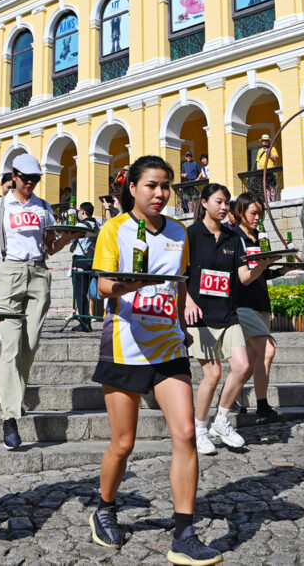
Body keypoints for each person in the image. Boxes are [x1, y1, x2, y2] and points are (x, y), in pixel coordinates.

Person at [88, 155, 221, 564]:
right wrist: (127, 285)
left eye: (165, 185)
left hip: (168, 346)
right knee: (123, 443)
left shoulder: (179, 232)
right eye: (151, 185)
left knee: (185, 434)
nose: (160, 193)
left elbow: (178, 285)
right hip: (124, 346)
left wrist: (182, 321)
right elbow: (101, 286)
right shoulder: (114, 229)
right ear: (132, 188)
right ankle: (104, 508)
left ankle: (184, 534)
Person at [0, 153, 80, 450]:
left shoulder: (43, 207)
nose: (30, 183)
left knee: (30, 343)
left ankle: (12, 396)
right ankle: (10, 416)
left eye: (35, 179)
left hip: (38, 273)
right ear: (14, 176)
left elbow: (51, 247)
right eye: (26, 178)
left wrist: (66, 239)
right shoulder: (1, 205)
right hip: (7, 271)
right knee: (11, 343)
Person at [185, 183, 276, 456]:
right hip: (200, 314)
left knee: (242, 365)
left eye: (227, 203)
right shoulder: (190, 235)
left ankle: (221, 420)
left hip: (228, 312)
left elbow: (244, 278)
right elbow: (179, 274)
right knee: (213, 374)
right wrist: (187, 301)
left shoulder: (232, 238)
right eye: (219, 202)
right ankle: (199, 430)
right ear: (204, 203)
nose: (225, 207)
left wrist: (263, 264)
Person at [231, 193, 285, 424]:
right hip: (241, 302)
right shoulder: (234, 237)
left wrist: (281, 270)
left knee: (252, 358)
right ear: (240, 212)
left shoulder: (260, 238)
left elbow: (262, 273)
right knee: (267, 349)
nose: (257, 218)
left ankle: (228, 397)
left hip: (261, 302)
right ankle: (262, 407)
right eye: (253, 213)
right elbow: (238, 274)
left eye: (260, 214)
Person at [71, 202, 99, 332]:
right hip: (91, 260)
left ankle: (84, 323)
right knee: (85, 291)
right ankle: (86, 321)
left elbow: (71, 240)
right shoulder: (97, 226)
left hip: (80, 259)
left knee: (79, 292)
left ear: (82, 212)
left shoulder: (80, 226)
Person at [255, 134, 280, 203]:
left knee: (272, 187)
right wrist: (258, 171)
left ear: (268, 141)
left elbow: (275, 158)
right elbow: (258, 161)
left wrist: (268, 153)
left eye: (266, 140)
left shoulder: (272, 149)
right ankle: (268, 200)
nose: (264, 142)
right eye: (263, 141)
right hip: (263, 171)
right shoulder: (260, 150)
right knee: (266, 187)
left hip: (270, 170)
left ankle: (273, 200)